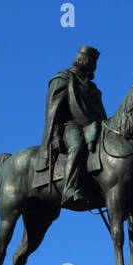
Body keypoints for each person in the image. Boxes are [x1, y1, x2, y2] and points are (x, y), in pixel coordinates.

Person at [39, 45, 108, 205]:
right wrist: (55, 135)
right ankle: (69, 189)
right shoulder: (64, 78)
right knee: (77, 145)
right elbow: (53, 111)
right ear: (83, 61)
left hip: (93, 127)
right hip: (70, 127)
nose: (94, 66)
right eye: (91, 62)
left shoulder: (93, 89)